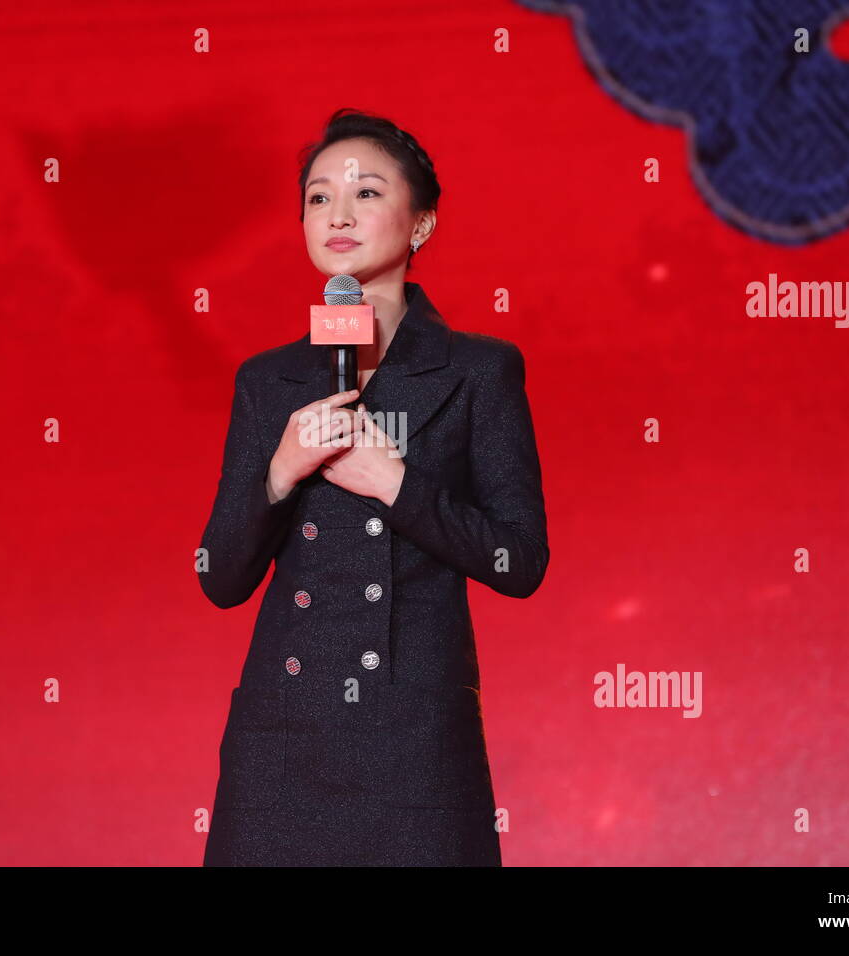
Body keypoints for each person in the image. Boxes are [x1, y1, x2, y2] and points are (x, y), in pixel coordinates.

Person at [197, 108, 550, 865]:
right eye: (319, 198)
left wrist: (396, 484)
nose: (339, 215)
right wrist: (280, 471)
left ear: (421, 225)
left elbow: (519, 560)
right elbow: (220, 578)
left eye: (366, 193)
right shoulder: (269, 381)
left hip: (413, 743)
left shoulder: (479, 370)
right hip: (282, 748)